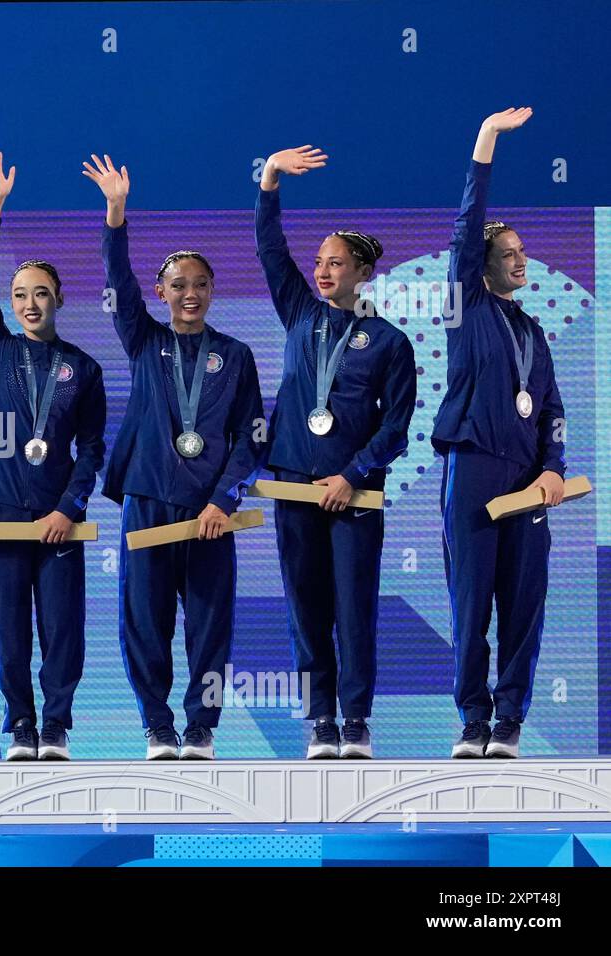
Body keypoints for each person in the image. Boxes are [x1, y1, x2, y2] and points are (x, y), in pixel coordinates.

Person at [84, 154, 265, 760]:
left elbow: (251, 437)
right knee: (146, 621)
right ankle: (157, 727)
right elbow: (119, 283)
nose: (190, 293)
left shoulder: (236, 356)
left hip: (211, 514)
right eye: (178, 285)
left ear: (213, 291)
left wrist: (224, 497)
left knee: (211, 627)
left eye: (201, 284)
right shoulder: (144, 341)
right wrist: (116, 213)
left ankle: (202, 729)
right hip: (148, 500)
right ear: (161, 293)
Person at [255, 144, 416, 759]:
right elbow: (271, 248)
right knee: (306, 609)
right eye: (319, 261)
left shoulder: (389, 342)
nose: (322, 271)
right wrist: (270, 178)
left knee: (354, 611)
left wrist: (352, 474)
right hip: (295, 485)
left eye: (336, 263)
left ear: (363, 272)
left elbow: (396, 429)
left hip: (355, 495)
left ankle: (356, 722)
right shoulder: (299, 313)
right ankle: (319, 720)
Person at [433, 108, 567, 759]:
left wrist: (552, 469)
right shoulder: (466, 307)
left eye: (522, 253)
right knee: (470, 604)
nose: (520, 261)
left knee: (523, 606)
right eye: (507, 254)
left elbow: (552, 411)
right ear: (481, 264)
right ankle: (472, 722)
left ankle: (509, 721)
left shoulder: (533, 333)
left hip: (529, 483)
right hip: (474, 469)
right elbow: (465, 227)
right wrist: (484, 139)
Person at [0, 149, 107, 760]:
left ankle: (56, 727)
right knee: (10, 633)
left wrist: (69, 508)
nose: (28, 303)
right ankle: (20, 726)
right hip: (3, 511)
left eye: (40, 294)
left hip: (57, 518)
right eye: (20, 294)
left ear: (58, 299)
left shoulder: (84, 367)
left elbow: (93, 447)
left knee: (62, 631)